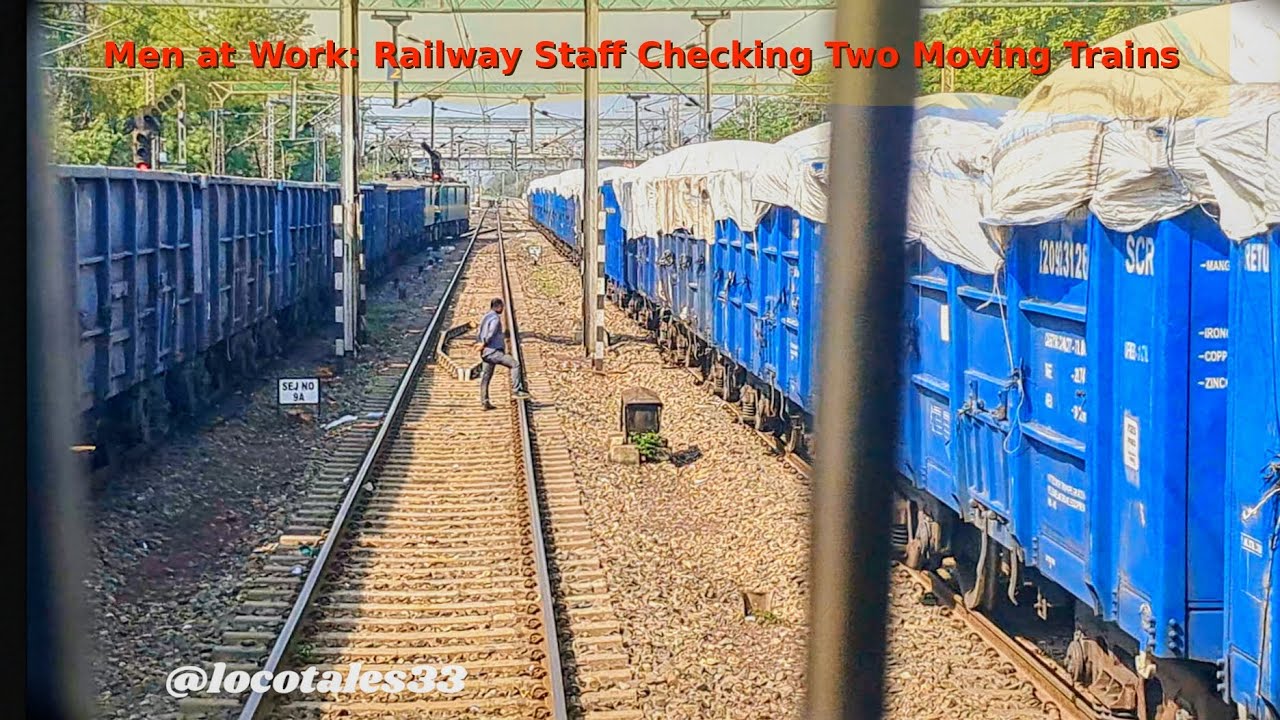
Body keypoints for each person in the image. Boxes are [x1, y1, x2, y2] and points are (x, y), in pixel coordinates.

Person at [475, 298, 530, 409]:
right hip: (494, 351)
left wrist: (479, 343)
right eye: (502, 307)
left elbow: (479, 332)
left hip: (485, 353)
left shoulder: (485, 317)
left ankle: (484, 402)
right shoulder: (495, 319)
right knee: (515, 364)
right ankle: (516, 390)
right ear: (499, 306)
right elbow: (491, 333)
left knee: (486, 377)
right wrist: (484, 343)